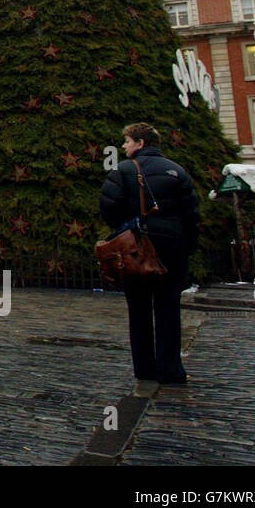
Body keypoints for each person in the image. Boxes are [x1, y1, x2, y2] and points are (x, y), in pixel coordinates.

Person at [99, 122, 201, 386]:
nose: (124, 146)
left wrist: (127, 228)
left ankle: (144, 368)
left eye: (127, 141)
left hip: (137, 247)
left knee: (139, 310)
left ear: (140, 143)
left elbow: (109, 208)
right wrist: (185, 244)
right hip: (172, 247)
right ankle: (171, 370)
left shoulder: (122, 170)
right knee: (168, 309)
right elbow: (192, 214)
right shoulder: (178, 172)